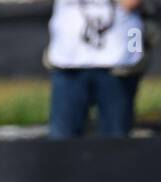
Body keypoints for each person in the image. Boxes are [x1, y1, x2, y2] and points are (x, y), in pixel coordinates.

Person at [46, 0, 147, 139]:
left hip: (119, 62)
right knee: (61, 140)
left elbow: (130, 3)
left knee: (116, 141)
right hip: (67, 60)